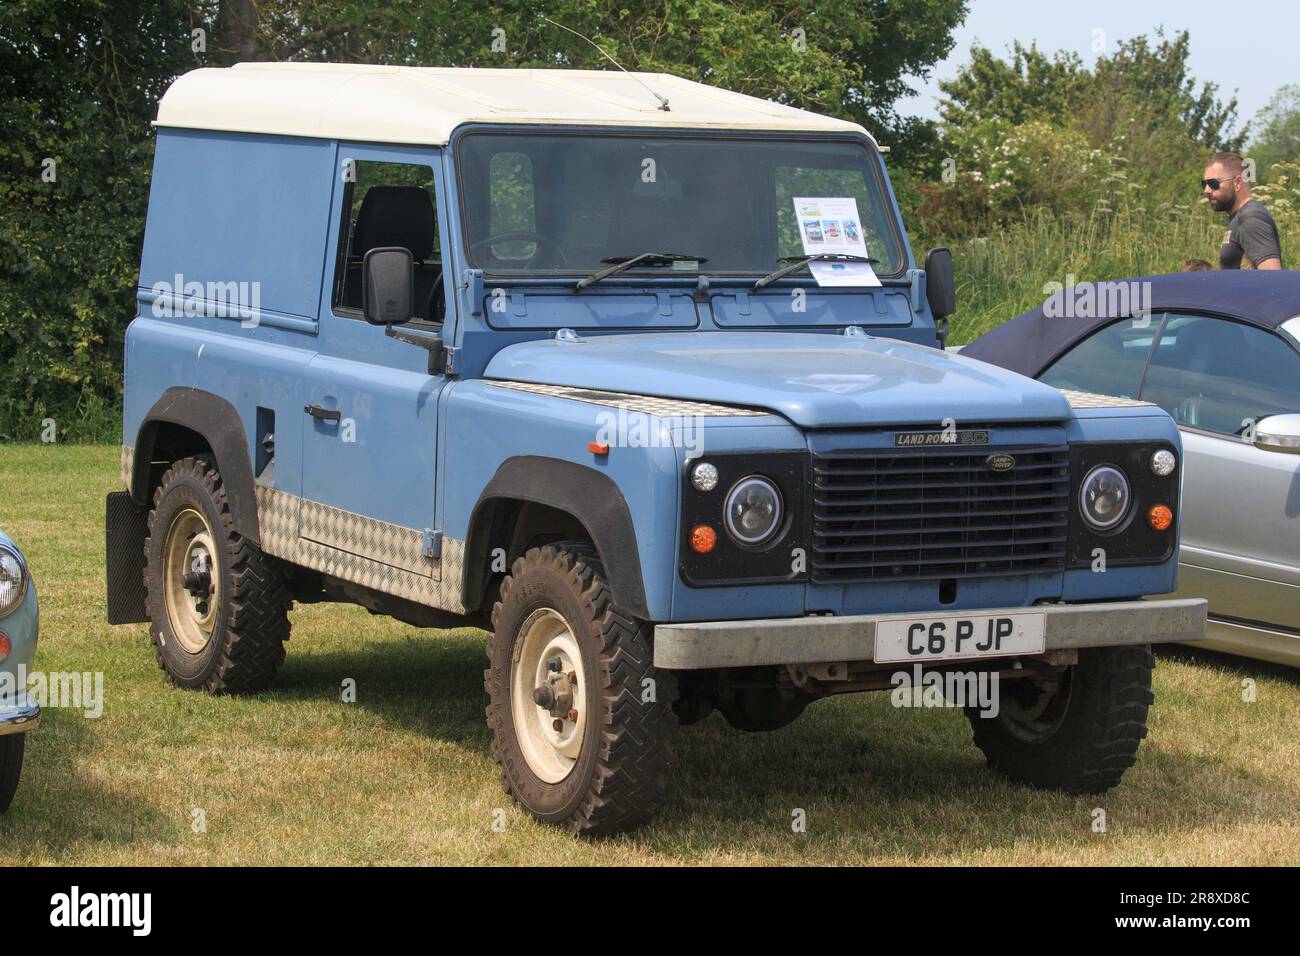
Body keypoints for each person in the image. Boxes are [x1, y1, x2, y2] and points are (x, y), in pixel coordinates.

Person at [1202, 152, 1283, 269]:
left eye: (1213, 183)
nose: (1206, 190)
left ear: (1237, 182)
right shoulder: (1240, 217)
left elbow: (1272, 276)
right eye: (1204, 184)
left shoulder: (1251, 218)